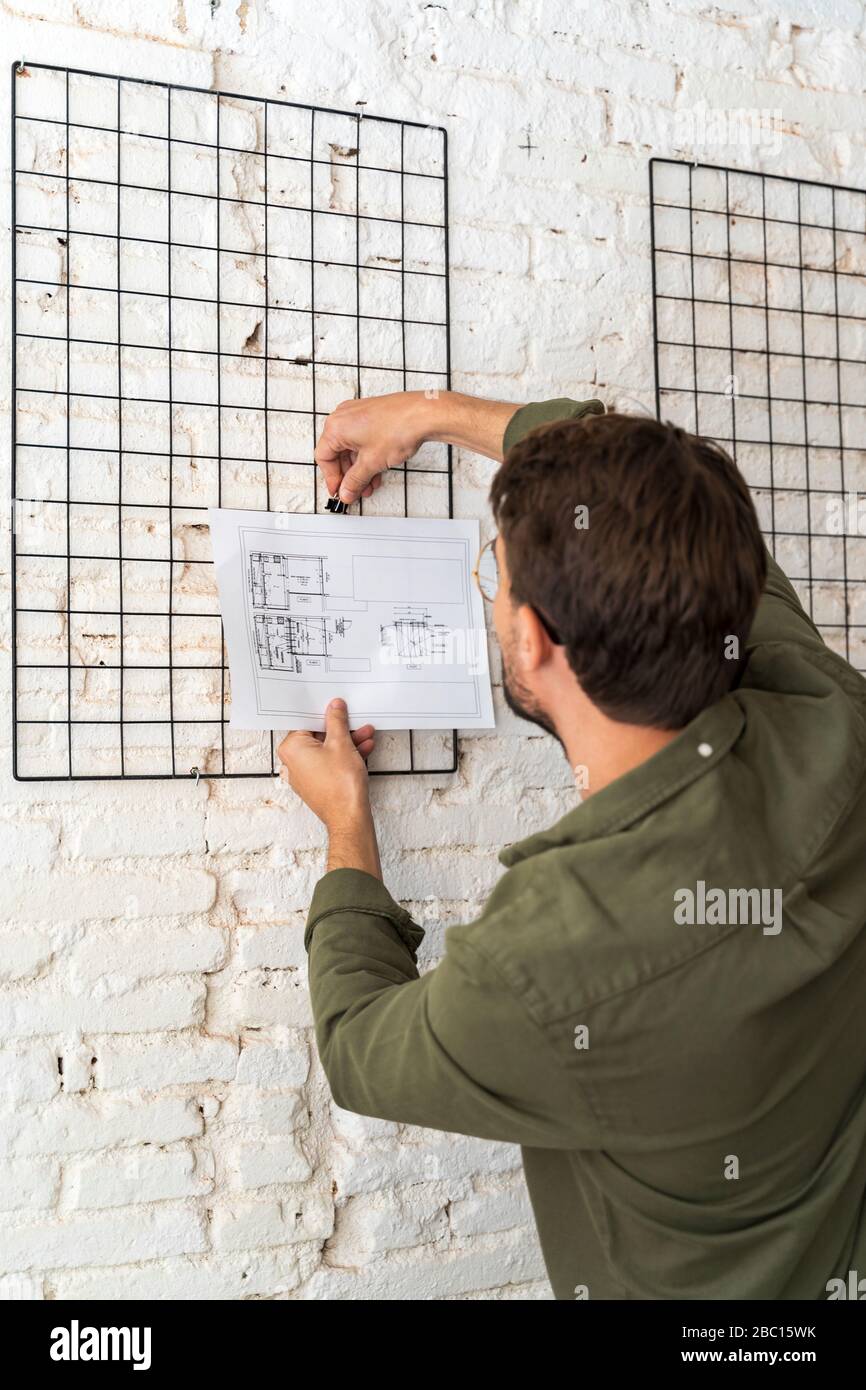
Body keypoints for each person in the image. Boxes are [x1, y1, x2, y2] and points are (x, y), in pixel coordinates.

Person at [277, 391, 866, 1300]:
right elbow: (657, 498)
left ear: (531, 639)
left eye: (497, 574)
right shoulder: (831, 719)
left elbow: (358, 1046)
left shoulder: (556, 955)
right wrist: (427, 415)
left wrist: (345, 821)